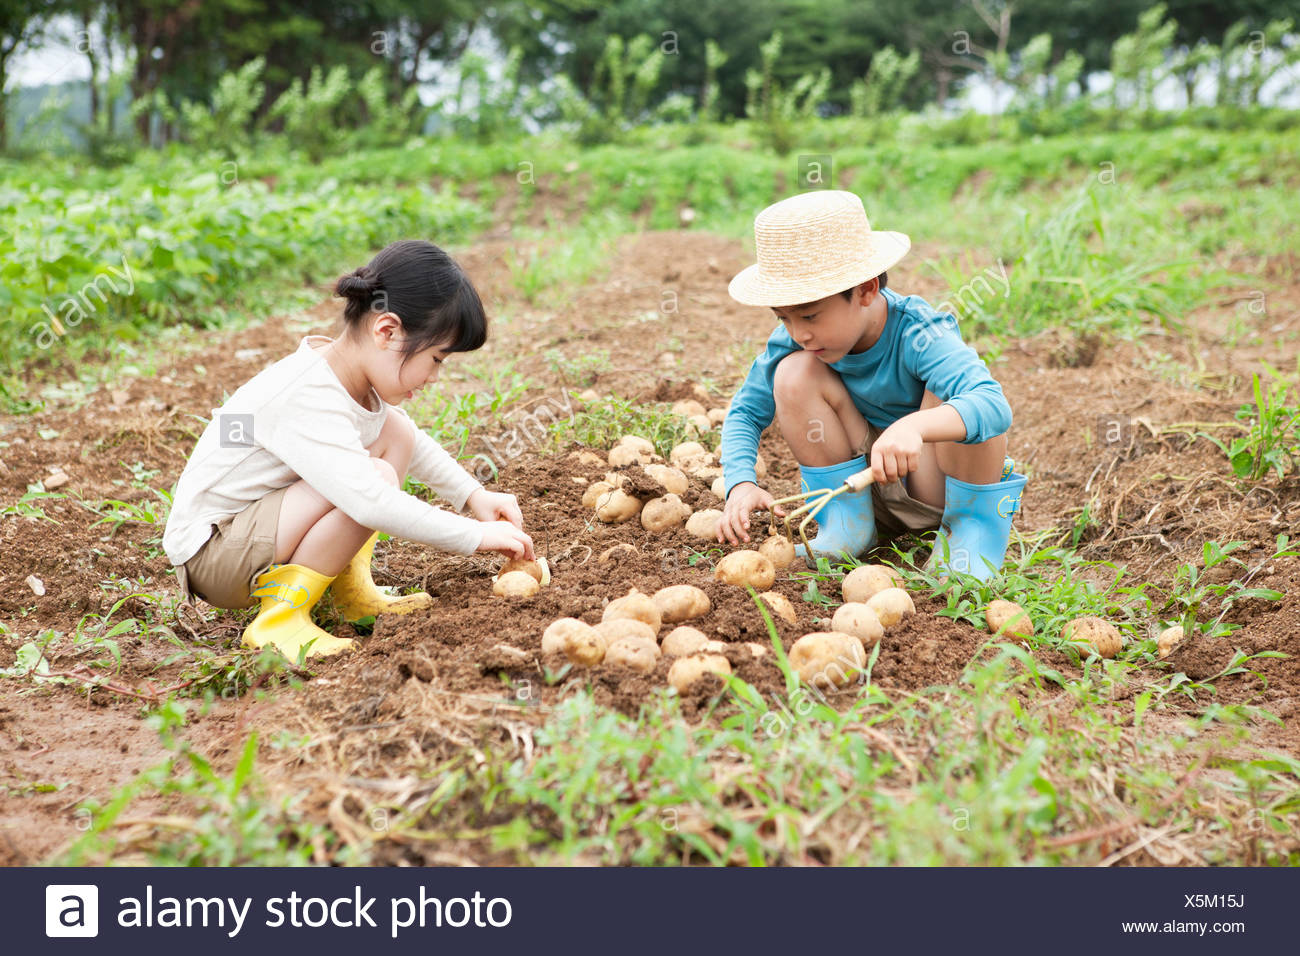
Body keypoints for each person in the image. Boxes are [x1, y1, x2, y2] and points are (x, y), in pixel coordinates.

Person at [163, 239, 534, 659]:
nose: (434, 377)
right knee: (370, 481)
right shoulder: (305, 393)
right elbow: (370, 502)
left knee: (394, 434)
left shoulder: (351, 382)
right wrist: (475, 536)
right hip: (215, 554)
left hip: (252, 535)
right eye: (436, 359)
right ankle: (279, 620)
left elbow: (411, 446)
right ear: (387, 331)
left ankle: (349, 593)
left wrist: (474, 495)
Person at [716, 190, 1025, 581]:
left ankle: (970, 531)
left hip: (932, 487)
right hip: (858, 486)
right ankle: (847, 526)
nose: (800, 333)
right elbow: (745, 411)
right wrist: (740, 485)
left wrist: (913, 427)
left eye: (810, 315)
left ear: (865, 289)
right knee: (793, 372)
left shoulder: (920, 332)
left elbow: (993, 405)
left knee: (956, 392)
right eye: (784, 319)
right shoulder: (797, 341)